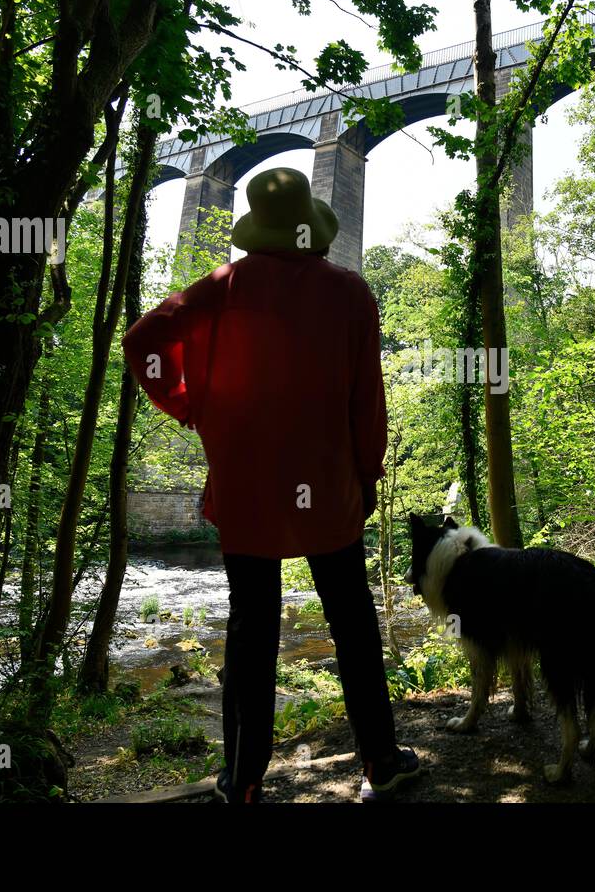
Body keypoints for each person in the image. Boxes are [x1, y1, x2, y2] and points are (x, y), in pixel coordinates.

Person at [122, 167, 420, 803]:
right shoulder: (349, 293)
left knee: (250, 629)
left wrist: (188, 404)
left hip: (246, 488)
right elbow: (368, 403)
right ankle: (381, 764)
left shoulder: (221, 286)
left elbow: (142, 339)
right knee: (353, 625)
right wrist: (366, 477)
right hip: (328, 487)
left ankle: (243, 779)